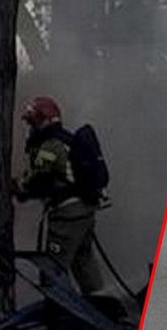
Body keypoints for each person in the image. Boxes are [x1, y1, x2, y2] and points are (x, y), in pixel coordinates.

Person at [13, 96, 105, 296]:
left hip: (68, 216)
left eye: (30, 123)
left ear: (40, 121)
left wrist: (18, 187)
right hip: (84, 212)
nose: (28, 129)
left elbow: (39, 178)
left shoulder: (49, 146)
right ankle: (101, 309)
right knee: (84, 265)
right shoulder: (65, 140)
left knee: (52, 271)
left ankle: (64, 314)